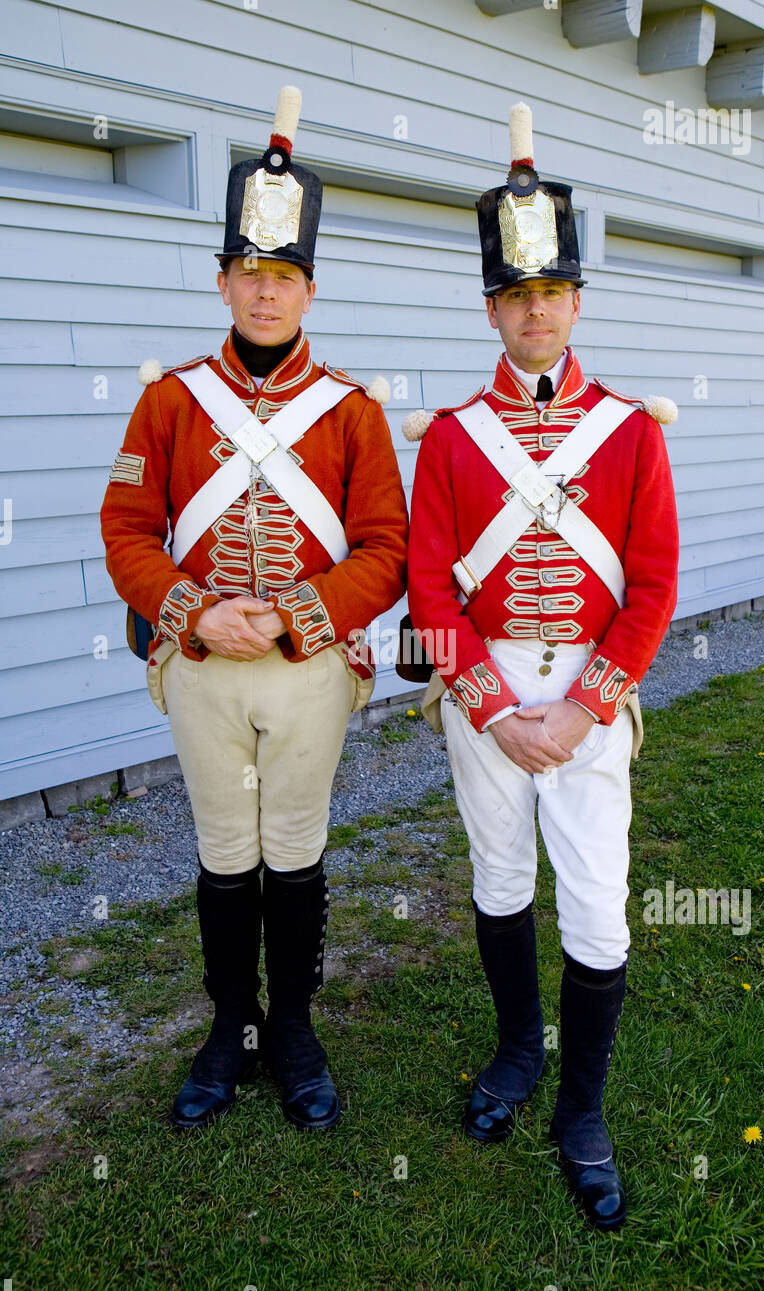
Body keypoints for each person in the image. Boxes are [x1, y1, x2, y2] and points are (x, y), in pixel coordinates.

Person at [100, 86, 408, 1134]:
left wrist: (292, 618)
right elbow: (126, 529)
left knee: (297, 849)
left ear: (306, 289)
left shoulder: (354, 413)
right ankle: (232, 1028)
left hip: (309, 667)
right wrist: (194, 612)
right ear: (222, 280)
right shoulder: (171, 399)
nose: (264, 294)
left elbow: (387, 549)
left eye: (283, 278)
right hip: (200, 663)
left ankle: (297, 1031)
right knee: (225, 850)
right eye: (249, 275)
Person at [405, 103, 679, 1230]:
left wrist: (579, 708)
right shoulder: (450, 437)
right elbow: (428, 589)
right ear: (492, 308)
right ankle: (518, 1051)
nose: (533, 312)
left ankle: (580, 1106)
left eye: (550, 293)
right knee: (499, 881)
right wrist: (489, 703)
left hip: (587, 697)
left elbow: (654, 584)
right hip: (483, 696)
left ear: (574, 302)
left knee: (599, 910)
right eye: (513, 296)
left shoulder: (628, 431)